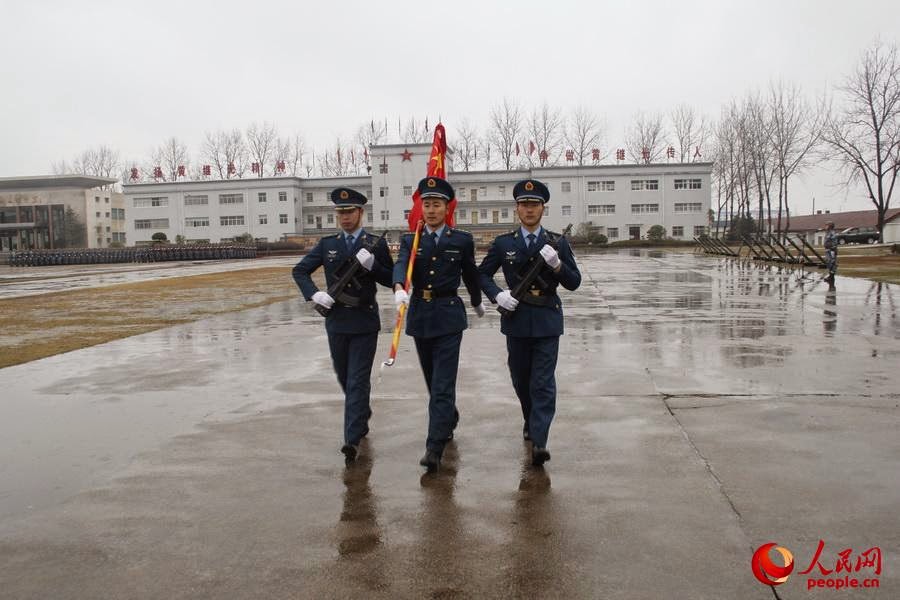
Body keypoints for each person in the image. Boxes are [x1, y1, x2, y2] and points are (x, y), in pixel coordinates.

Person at [478, 179, 581, 466]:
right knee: (521, 379)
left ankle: (540, 439)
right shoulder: (504, 243)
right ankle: (530, 419)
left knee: (543, 382)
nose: (529, 209)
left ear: (542, 209)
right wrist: (498, 295)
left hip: (547, 319)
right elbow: (482, 275)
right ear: (517, 209)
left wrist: (558, 265)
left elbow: (574, 282)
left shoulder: (557, 242)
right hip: (517, 319)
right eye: (524, 205)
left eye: (534, 205)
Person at [293, 187, 394, 464]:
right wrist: (314, 294)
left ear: (361, 212)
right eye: (340, 213)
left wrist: (373, 265)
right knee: (343, 376)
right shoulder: (328, 244)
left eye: (349, 212)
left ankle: (351, 440)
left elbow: (391, 278)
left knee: (357, 380)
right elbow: (299, 270)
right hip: (337, 321)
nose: (345, 217)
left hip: (364, 320)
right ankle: (360, 415)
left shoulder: (376, 244)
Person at [393, 176, 484, 472]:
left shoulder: (461, 240)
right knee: (434, 382)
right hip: (420, 313)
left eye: (436, 205)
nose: (431, 210)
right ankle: (448, 415)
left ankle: (434, 446)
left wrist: (475, 299)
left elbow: (470, 273)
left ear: (447, 208)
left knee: (443, 384)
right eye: (426, 204)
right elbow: (401, 264)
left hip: (448, 316)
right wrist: (398, 287)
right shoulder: (411, 239)